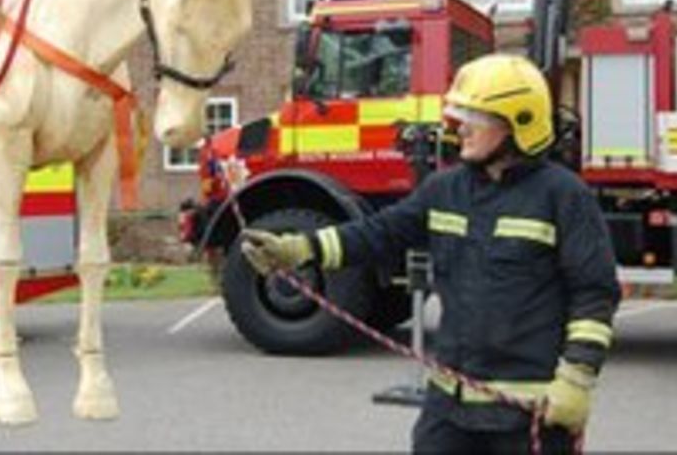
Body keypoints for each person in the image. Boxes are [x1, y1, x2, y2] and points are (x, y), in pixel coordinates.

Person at [241, 54, 621, 454]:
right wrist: (300, 249)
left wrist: (576, 380)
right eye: (458, 113)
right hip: (449, 411)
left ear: (518, 124)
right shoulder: (445, 188)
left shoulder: (563, 197)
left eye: (475, 115)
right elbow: (380, 233)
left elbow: (594, 293)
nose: (458, 126)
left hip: (528, 413)